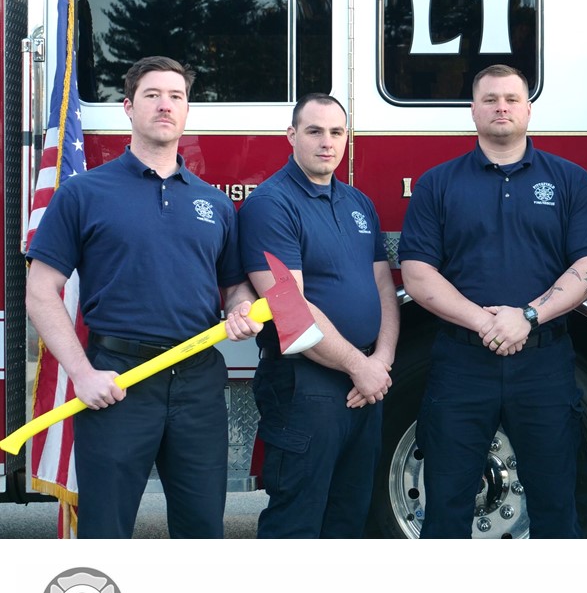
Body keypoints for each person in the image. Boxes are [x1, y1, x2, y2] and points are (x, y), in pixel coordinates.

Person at [25, 56, 262, 538]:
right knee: (104, 533)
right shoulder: (84, 194)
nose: (165, 105)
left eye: (176, 97)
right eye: (152, 95)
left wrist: (240, 307)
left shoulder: (213, 202)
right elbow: (40, 291)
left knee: (201, 532)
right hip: (117, 381)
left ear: (187, 112)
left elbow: (233, 285)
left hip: (198, 384)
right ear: (128, 108)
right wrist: (82, 373)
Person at [398, 64, 587, 538]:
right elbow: (416, 273)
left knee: (557, 502)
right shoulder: (438, 183)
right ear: (473, 110)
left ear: (528, 109)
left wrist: (529, 317)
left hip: (544, 362)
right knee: (447, 504)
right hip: (461, 362)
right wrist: (487, 322)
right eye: (490, 99)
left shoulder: (569, 180)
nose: (501, 108)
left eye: (511, 99)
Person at [238, 93, 399, 538]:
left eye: (336, 132)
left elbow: (384, 286)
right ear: (291, 136)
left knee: (348, 520)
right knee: (298, 523)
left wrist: (380, 361)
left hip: (365, 383)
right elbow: (291, 308)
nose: (327, 142)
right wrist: (358, 366)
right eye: (314, 131)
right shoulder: (271, 205)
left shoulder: (358, 203)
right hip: (305, 385)